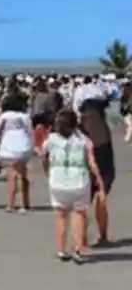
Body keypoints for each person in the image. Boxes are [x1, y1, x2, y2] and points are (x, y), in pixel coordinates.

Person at [42, 109, 102, 263]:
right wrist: (99, 180)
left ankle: (61, 249)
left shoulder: (50, 140)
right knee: (79, 214)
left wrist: (47, 172)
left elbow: (44, 158)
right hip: (79, 182)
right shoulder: (83, 141)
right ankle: (78, 248)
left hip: (57, 181)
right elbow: (92, 163)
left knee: (61, 215)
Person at [77, 97, 115, 247]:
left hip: (87, 167)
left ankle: (82, 237)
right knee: (101, 198)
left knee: (84, 203)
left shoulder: (83, 125)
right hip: (106, 165)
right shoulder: (103, 125)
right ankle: (102, 235)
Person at [0, 92, 34, 213]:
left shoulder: (4, 116)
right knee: (23, 175)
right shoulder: (25, 117)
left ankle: (11, 204)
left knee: (11, 176)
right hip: (23, 146)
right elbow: (30, 131)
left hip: (8, 147)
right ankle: (24, 203)